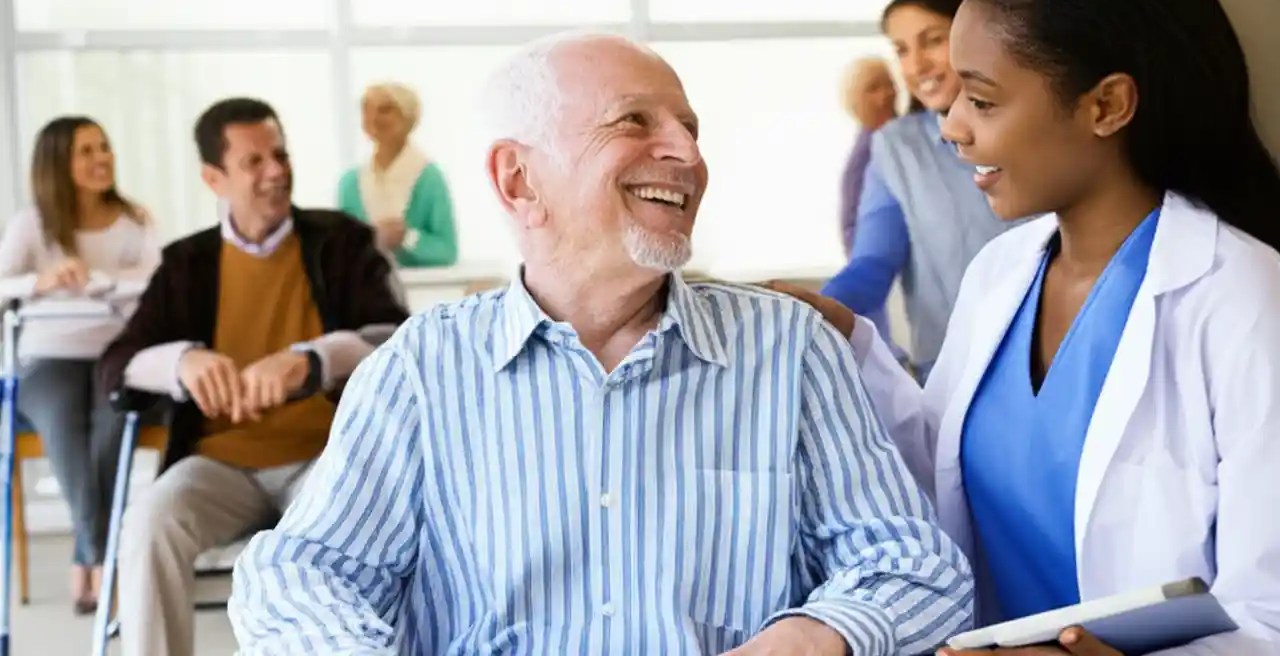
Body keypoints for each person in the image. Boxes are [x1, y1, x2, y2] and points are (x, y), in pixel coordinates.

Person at [228, 32, 975, 655]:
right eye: (634, 122)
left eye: (691, 127)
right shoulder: (423, 368)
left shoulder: (790, 349)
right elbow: (301, 575)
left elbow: (914, 565)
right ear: (518, 179)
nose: (686, 152)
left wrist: (816, 634)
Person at [777, 0, 1280, 654]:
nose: (951, 127)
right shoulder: (1002, 272)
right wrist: (847, 340)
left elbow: (1269, 612)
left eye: (980, 99)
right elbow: (944, 473)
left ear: (1106, 104)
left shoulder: (1241, 297)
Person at [96, 97, 409, 656]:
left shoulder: (341, 242)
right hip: (221, 467)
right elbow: (118, 365)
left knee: (345, 549)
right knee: (148, 522)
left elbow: (401, 343)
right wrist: (182, 361)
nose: (277, 171)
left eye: (281, 155)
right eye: (254, 161)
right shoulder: (186, 263)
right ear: (213, 177)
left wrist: (314, 358)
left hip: (326, 462)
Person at [0, 116, 159, 613]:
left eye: (104, 147)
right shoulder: (34, 223)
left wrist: (105, 277)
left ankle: (88, 562)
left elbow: (160, 280)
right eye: (86, 151)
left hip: (116, 355)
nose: (101, 159)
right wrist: (41, 281)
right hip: (49, 358)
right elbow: (4, 283)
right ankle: (101, 559)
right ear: (58, 165)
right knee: (67, 440)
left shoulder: (136, 220)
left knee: (112, 435)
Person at [821, 0, 1011, 383]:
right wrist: (814, 309)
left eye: (932, 40)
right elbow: (872, 261)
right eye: (901, 50)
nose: (915, 66)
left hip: (1051, 366)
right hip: (948, 377)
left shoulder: (1032, 130)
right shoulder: (896, 147)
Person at [338, 82, 459, 267]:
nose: (373, 118)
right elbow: (340, 252)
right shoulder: (350, 183)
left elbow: (447, 251)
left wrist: (406, 237)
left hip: (423, 289)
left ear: (407, 117)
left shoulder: (429, 178)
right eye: (367, 109)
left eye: (385, 110)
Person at [837, 56, 897, 256]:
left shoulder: (909, 137)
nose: (886, 94)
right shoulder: (863, 158)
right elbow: (851, 232)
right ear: (855, 101)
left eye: (889, 84)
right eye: (873, 89)